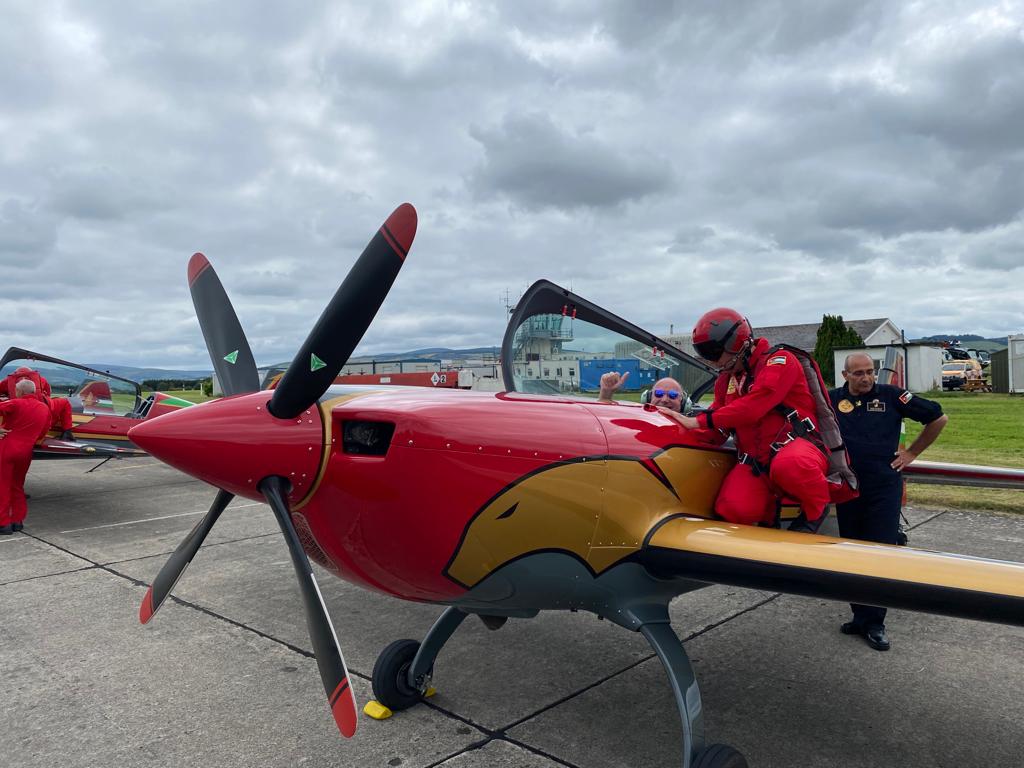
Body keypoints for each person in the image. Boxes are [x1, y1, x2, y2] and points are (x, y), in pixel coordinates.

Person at [666, 307, 840, 532]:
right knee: (732, 508)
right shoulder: (725, 381)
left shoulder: (780, 361)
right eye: (706, 354)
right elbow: (719, 428)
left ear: (738, 343)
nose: (713, 362)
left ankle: (815, 509)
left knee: (790, 465)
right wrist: (674, 430)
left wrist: (698, 421)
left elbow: (754, 406)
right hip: (757, 462)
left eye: (714, 353)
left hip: (799, 450)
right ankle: (769, 522)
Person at [830, 352, 947, 651]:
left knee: (880, 554)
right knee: (852, 553)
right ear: (845, 376)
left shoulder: (893, 396)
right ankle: (859, 616)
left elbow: (938, 417)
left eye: (870, 371)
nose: (866, 378)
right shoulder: (832, 400)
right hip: (849, 488)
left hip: (883, 488)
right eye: (858, 373)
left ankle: (875, 623)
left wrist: (912, 454)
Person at [0, 379, 53, 534]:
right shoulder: (44, 408)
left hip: (7, 448)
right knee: (17, 486)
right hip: (26, 452)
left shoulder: (15, 403)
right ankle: (17, 520)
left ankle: (3, 523)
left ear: (20, 391)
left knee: (2, 485)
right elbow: (43, 432)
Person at [598, 372, 687, 413]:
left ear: (682, 402)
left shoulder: (691, 427)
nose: (664, 400)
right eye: (659, 393)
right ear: (648, 398)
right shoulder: (637, 418)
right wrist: (605, 396)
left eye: (673, 395)